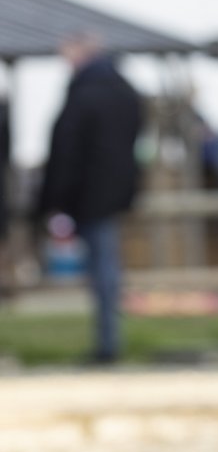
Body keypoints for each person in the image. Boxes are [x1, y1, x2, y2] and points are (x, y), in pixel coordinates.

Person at [36, 36, 143, 363]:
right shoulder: (126, 92)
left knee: (103, 273)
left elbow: (68, 151)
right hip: (115, 192)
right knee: (107, 270)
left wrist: (55, 200)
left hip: (87, 195)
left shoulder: (83, 94)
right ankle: (109, 341)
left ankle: (108, 345)